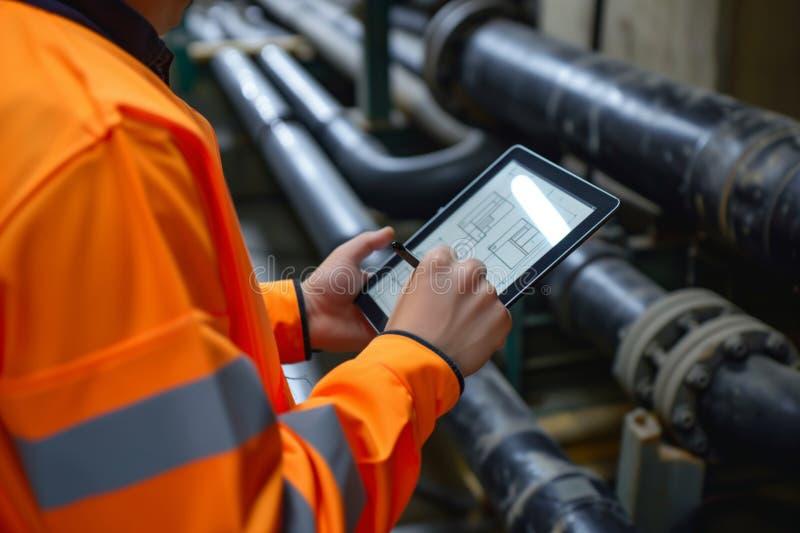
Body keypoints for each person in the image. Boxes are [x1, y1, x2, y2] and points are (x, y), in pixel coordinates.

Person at [0, 1, 512, 531]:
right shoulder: (103, 140)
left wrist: (298, 314)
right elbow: (247, 519)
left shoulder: (27, 60)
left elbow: (75, 338)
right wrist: (414, 363)